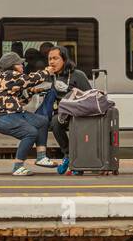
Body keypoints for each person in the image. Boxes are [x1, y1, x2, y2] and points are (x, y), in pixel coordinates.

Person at [0, 51, 53, 176]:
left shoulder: (12, 79)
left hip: (15, 113)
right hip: (1, 117)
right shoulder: (8, 75)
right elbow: (30, 79)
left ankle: (41, 157)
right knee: (30, 132)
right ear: (12, 65)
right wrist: (47, 71)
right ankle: (18, 166)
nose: (23, 66)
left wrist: (32, 92)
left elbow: (21, 101)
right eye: (20, 64)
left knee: (42, 121)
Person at [34, 45, 92, 175]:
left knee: (58, 121)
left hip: (78, 113)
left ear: (64, 60)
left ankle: (73, 159)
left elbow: (89, 96)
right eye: (49, 59)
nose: (52, 62)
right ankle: (70, 156)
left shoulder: (77, 75)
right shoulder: (49, 76)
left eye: (55, 58)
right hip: (59, 114)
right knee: (54, 122)